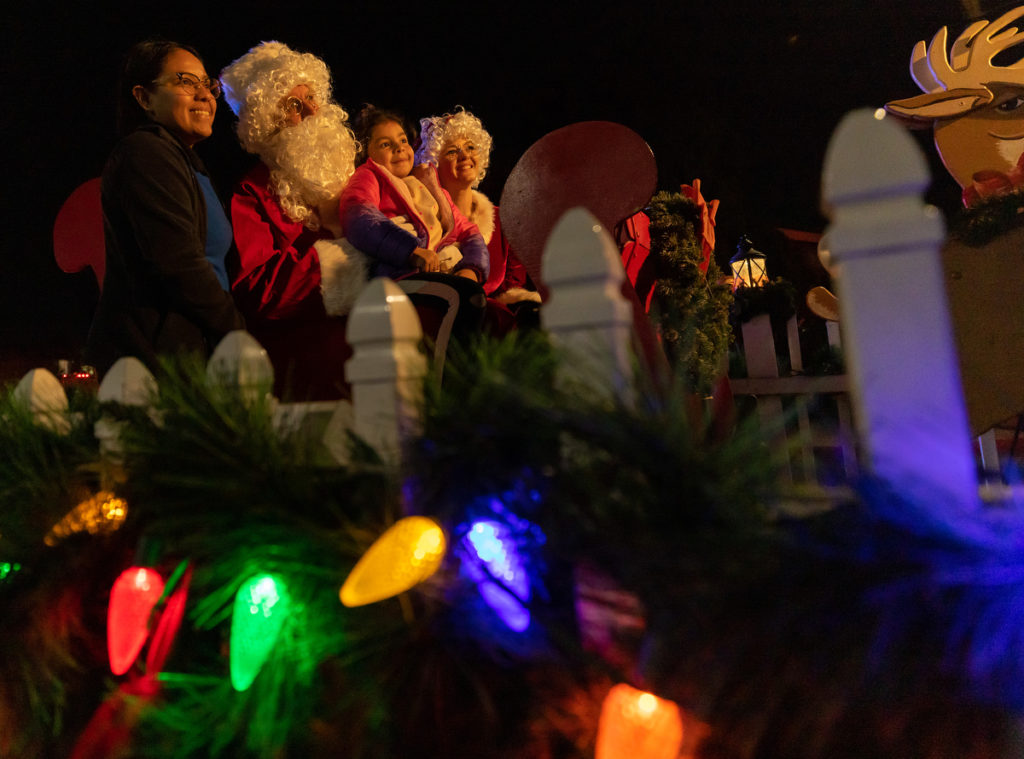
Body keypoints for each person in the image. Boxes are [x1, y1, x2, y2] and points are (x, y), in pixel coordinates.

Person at [85, 40, 244, 376]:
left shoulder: (189, 164)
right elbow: (179, 264)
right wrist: (238, 333)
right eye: (186, 81)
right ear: (144, 98)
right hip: (152, 364)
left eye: (207, 85)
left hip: (194, 356)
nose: (204, 95)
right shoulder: (144, 153)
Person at [219, 41, 360, 399]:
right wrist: (348, 261)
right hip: (305, 364)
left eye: (312, 98)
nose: (312, 111)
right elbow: (258, 290)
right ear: (270, 122)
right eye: (295, 105)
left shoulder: (352, 176)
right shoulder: (252, 192)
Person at [336, 106, 489, 344]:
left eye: (403, 140)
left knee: (474, 295)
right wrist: (411, 251)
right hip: (399, 276)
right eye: (385, 144)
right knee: (466, 296)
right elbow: (358, 216)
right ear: (367, 153)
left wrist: (472, 269)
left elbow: (469, 231)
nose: (399, 148)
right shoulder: (370, 176)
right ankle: (449, 370)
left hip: (438, 272)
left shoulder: (426, 183)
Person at [415, 109, 540, 330]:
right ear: (433, 164)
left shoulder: (503, 220)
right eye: (452, 151)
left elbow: (513, 289)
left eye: (470, 147)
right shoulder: (424, 223)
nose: (464, 156)